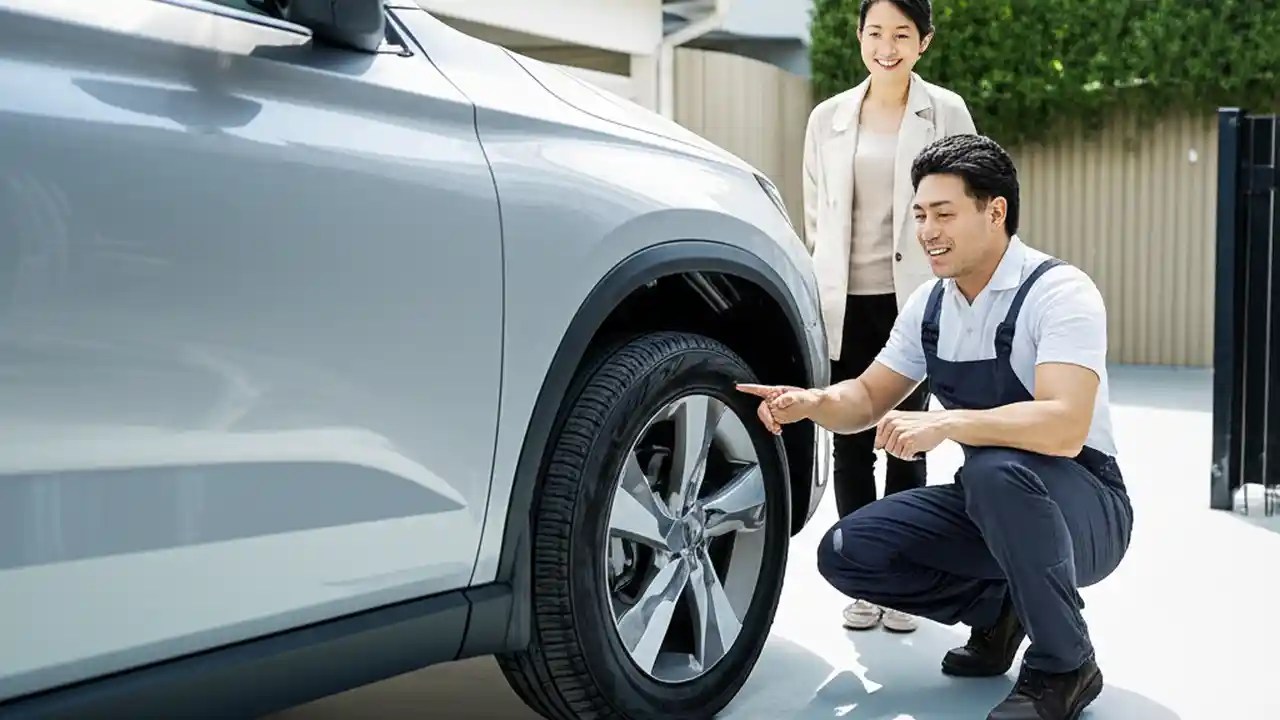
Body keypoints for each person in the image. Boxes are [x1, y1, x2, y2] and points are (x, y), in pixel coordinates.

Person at [741, 134, 1133, 720]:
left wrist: (945, 422)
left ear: (995, 211)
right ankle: (1003, 613)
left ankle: (1066, 665)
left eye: (943, 214)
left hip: (1086, 505)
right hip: (993, 502)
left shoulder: (1057, 292)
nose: (926, 231)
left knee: (996, 472)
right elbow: (867, 397)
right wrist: (813, 401)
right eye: (920, 214)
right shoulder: (930, 303)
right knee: (848, 552)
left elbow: (1065, 425)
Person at [799, 0, 977, 634]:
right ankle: (861, 579)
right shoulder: (827, 117)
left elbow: (970, 199)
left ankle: (902, 581)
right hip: (845, 302)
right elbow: (815, 212)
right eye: (875, 32)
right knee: (848, 439)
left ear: (923, 42)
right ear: (859, 37)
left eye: (902, 34)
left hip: (915, 299)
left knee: (905, 438)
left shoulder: (947, 112)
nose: (887, 46)